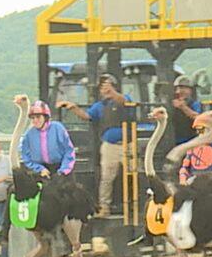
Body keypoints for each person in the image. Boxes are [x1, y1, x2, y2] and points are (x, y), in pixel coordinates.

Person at [58, 73, 131, 217]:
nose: (105, 89)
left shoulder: (124, 99)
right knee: (106, 178)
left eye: (108, 85)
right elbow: (87, 116)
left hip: (129, 145)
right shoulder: (99, 106)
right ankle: (104, 207)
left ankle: (137, 205)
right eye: (103, 87)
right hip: (110, 146)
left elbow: (124, 101)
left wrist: (112, 92)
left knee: (134, 175)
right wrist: (73, 108)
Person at [19, 100, 77, 177]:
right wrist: (40, 169)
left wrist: (63, 171)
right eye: (32, 118)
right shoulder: (29, 135)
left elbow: (69, 151)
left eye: (38, 117)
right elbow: (26, 157)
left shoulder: (58, 128)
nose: (35, 120)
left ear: (46, 117)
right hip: (41, 172)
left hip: (62, 169)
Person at [179, 112, 212, 185]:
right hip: (192, 184)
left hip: (211, 184)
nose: (199, 133)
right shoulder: (192, 147)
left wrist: (202, 180)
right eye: (198, 130)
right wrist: (183, 179)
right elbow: (184, 167)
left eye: (201, 129)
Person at [170, 75, 203, 146]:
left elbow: (198, 118)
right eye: (178, 88)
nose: (180, 91)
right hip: (173, 141)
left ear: (191, 90)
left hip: (191, 141)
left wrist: (183, 107)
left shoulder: (195, 104)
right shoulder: (171, 104)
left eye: (184, 88)